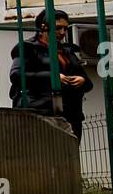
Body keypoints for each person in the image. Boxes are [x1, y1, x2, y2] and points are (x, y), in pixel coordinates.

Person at [9, 9, 93, 137]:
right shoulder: (28, 47)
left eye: (65, 28)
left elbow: (88, 83)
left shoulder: (67, 51)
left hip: (70, 114)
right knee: (44, 153)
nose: (62, 32)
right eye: (58, 28)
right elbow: (16, 76)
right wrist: (52, 77)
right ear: (43, 27)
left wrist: (82, 80)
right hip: (40, 112)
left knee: (69, 154)